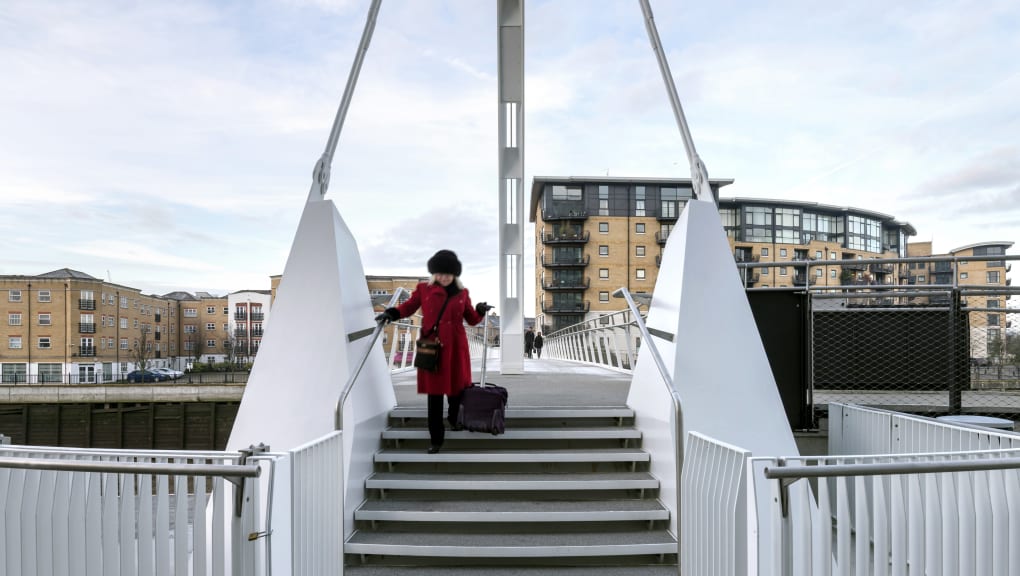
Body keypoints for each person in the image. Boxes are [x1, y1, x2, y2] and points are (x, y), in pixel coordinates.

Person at [376, 250, 489, 454]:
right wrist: (391, 313)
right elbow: (409, 307)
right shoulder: (423, 289)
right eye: (439, 273)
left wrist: (480, 310)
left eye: (447, 273)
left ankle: (454, 419)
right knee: (434, 396)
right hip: (433, 347)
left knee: (457, 391)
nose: (443, 277)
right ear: (434, 273)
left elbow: (471, 319)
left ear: (455, 274)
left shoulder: (463, 294)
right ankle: (436, 438)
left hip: (456, 347)